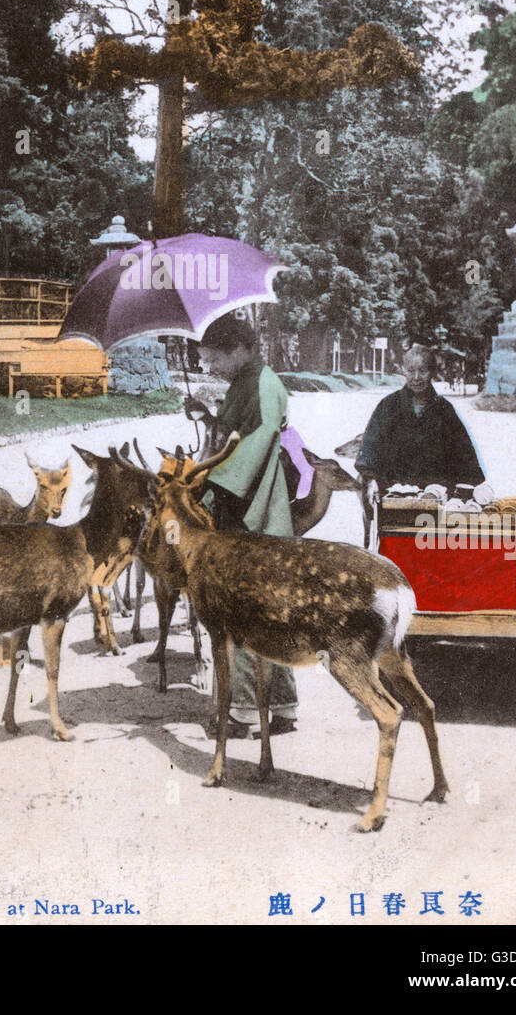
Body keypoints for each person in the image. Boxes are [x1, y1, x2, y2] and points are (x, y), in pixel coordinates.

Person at [198, 313, 298, 738]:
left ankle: (240, 712)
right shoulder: (247, 381)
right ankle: (282, 706)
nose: (210, 368)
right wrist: (207, 418)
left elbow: (250, 452)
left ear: (240, 349)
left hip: (252, 512)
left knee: (238, 610)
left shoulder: (261, 384)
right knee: (270, 614)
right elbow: (232, 434)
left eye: (215, 358)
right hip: (255, 509)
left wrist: (206, 494)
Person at [356, 342, 485, 504]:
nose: (416, 377)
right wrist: (371, 480)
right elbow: (370, 449)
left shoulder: (444, 410)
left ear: (432, 372)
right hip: (393, 493)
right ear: (403, 371)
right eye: (411, 371)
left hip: (437, 493)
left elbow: (464, 456)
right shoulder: (388, 406)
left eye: (422, 371)